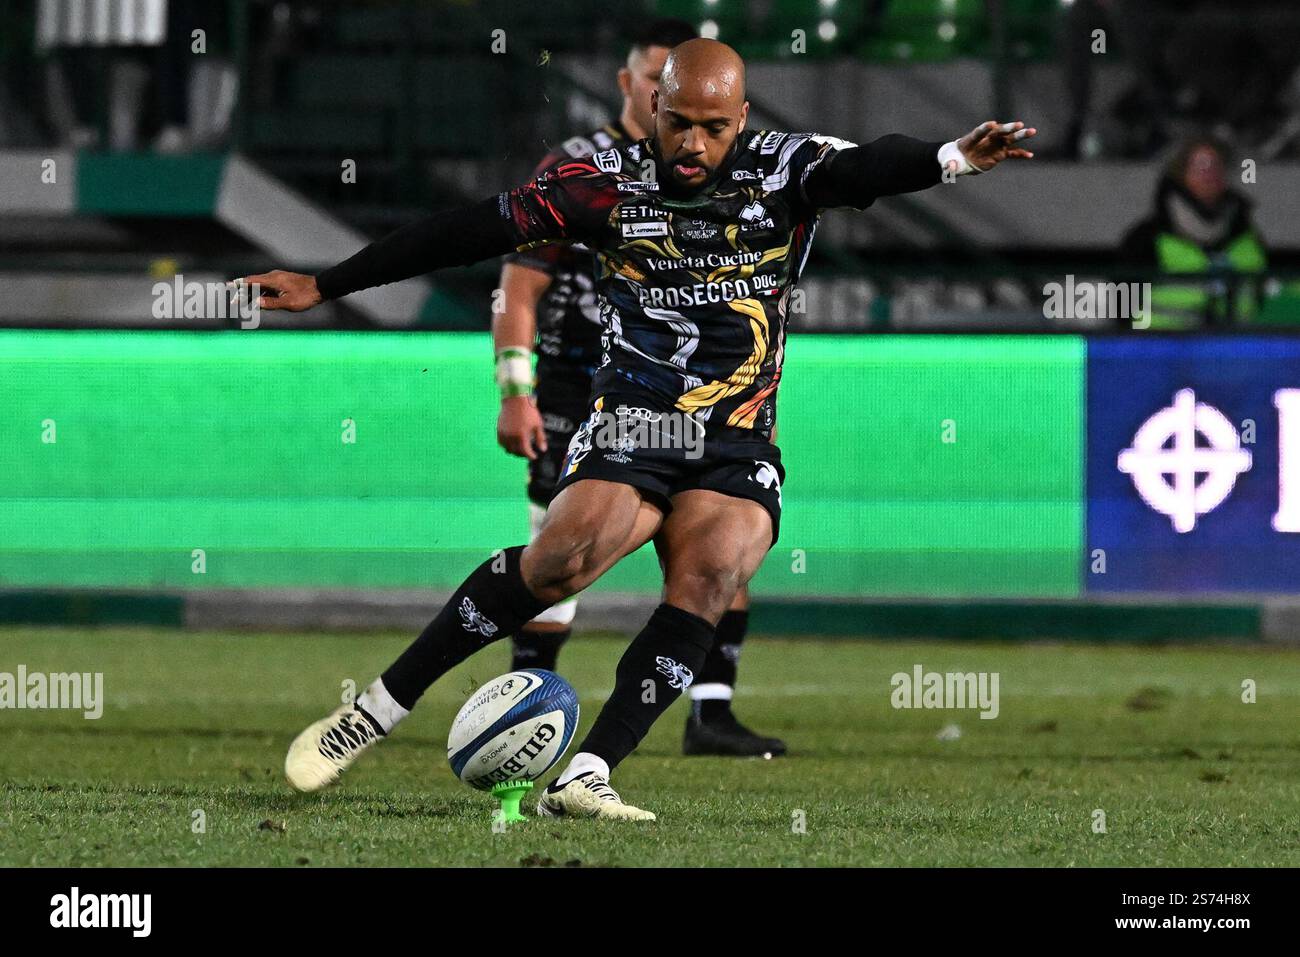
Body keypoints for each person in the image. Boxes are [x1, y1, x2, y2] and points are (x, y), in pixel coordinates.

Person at [246, 38, 1035, 821]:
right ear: (652, 107)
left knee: (716, 570)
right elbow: (465, 230)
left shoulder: (788, 168)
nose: (694, 144)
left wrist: (953, 156)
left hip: (737, 430)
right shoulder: (596, 186)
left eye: (715, 127)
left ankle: (588, 773)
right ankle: (370, 715)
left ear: (742, 118)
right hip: (636, 417)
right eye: (680, 121)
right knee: (563, 559)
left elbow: (870, 167)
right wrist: (327, 282)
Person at [494, 18, 784, 758]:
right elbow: (517, 289)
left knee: (721, 547)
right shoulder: (581, 170)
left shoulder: (735, 174)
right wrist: (514, 388)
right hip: (581, 387)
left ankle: (709, 710)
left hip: (694, 398)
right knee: (558, 553)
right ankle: (526, 703)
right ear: (632, 87)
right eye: (658, 80)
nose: (672, 94)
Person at [1121, 136, 1267, 329]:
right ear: (1181, 174)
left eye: (1217, 166)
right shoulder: (1146, 238)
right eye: (1200, 166)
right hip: (1163, 349)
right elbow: (1122, 307)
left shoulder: (1246, 234)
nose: (1209, 174)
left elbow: (1265, 293)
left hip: (1237, 350)